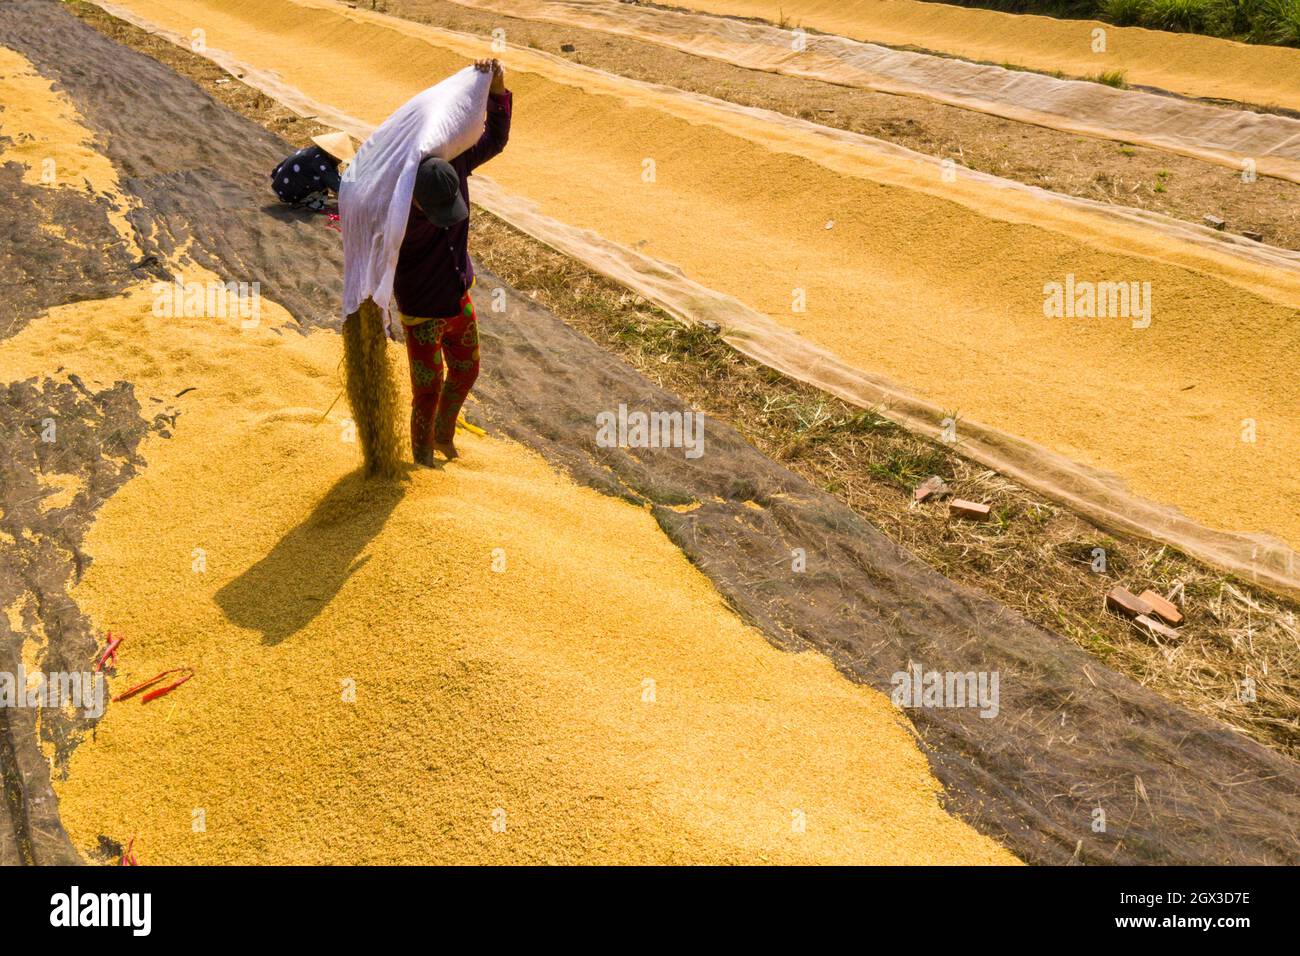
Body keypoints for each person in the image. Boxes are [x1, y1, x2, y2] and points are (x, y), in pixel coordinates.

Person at [394, 58, 510, 465]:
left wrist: (496, 90)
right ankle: (422, 459)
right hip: (423, 312)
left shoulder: (452, 167)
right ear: (414, 197)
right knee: (427, 390)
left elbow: (494, 140)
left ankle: (444, 434)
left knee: (467, 370)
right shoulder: (395, 213)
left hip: (458, 295)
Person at [270, 131, 355, 209]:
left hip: (280, 184)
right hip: (287, 192)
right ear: (331, 154)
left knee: (325, 177)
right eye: (339, 157)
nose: (340, 161)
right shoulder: (320, 162)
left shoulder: (315, 152)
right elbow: (334, 182)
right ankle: (306, 201)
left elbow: (334, 175)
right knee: (324, 183)